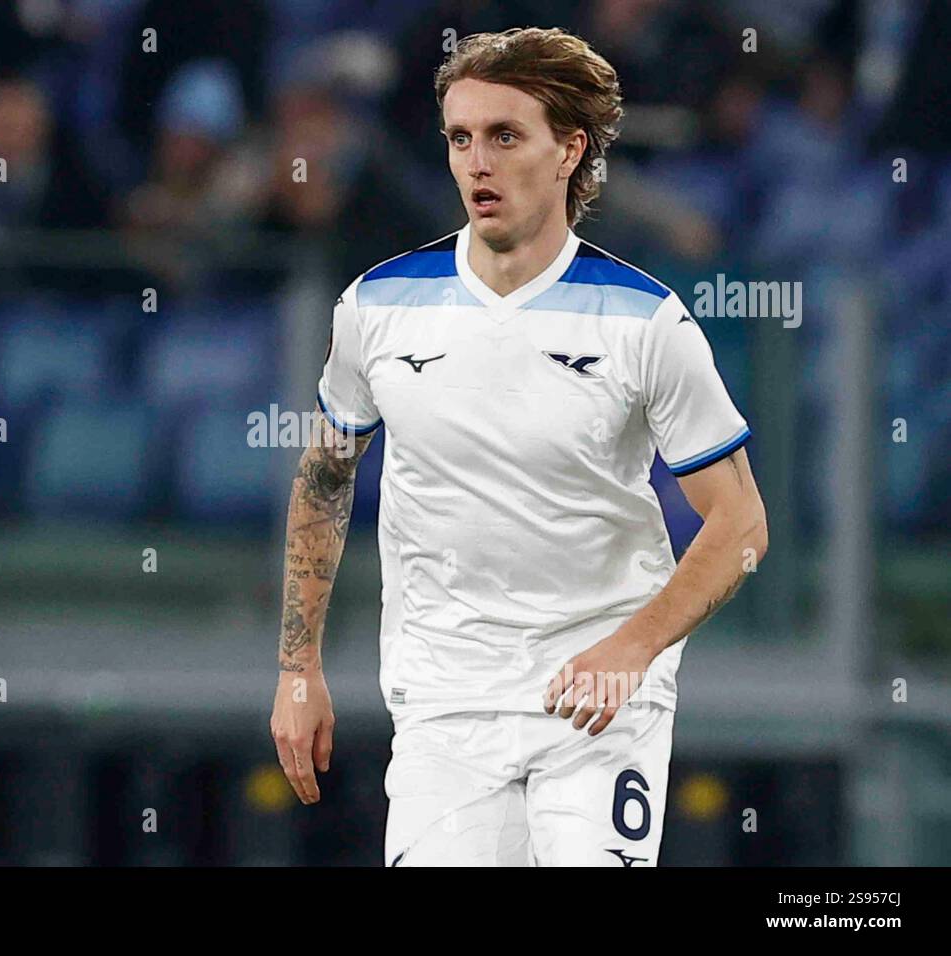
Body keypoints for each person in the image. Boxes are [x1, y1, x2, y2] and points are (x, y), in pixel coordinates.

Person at [268, 27, 768, 866]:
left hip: (596, 706)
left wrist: (632, 647)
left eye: (505, 135)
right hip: (443, 709)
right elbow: (323, 478)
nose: (477, 162)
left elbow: (742, 526)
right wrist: (296, 668)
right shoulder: (378, 306)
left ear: (570, 149)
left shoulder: (646, 320)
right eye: (460, 138)